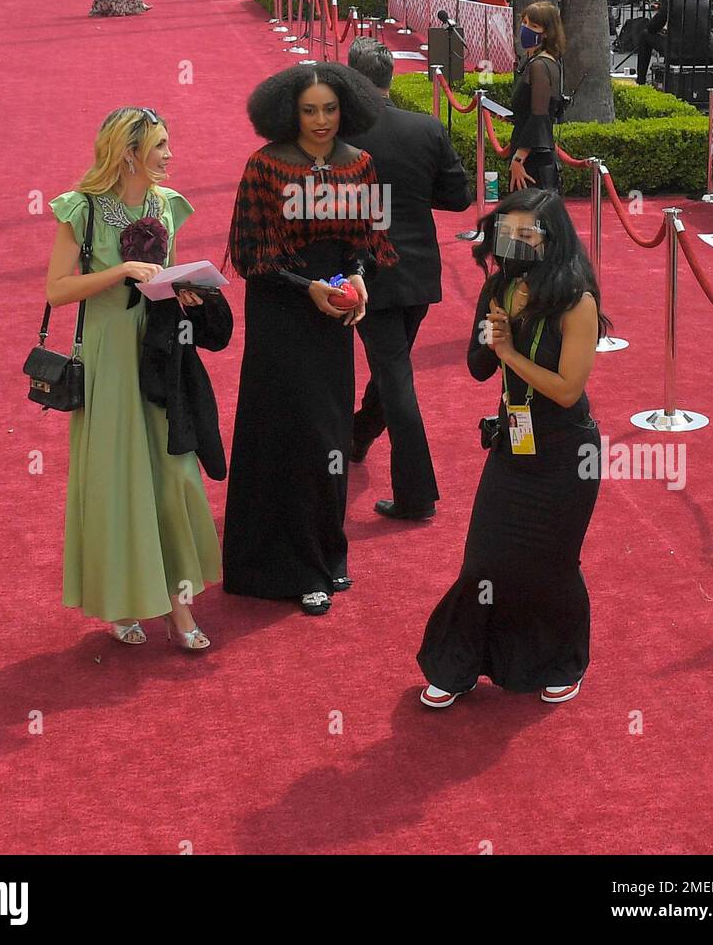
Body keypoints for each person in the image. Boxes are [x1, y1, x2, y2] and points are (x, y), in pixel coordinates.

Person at [416, 189, 605, 708]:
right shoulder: (500, 286)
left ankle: (563, 661)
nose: (516, 243)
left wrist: (510, 348)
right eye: (508, 233)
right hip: (512, 448)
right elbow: (479, 367)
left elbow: (567, 390)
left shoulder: (577, 299)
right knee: (483, 561)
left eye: (528, 234)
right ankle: (455, 664)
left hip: (568, 456)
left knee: (551, 564)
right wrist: (492, 331)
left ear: (552, 238)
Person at [222, 64, 398, 615]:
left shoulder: (362, 165)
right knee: (286, 433)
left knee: (328, 437)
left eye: (329, 109)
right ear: (288, 113)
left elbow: (372, 237)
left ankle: (327, 551)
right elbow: (250, 252)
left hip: (335, 318)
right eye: (309, 110)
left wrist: (360, 277)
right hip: (281, 313)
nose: (321, 121)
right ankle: (287, 568)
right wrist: (309, 288)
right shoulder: (265, 166)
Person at [45, 107, 222, 651]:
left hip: (159, 351)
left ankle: (180, 609)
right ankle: (123, 602)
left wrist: (183, 287)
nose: (170, 155)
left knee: (175, 475)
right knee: (119, 481)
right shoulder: (81, 209)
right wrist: (120, 271)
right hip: (107, 359)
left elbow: (162, 278)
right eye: (160, 146)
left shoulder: (167, 206)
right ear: (128, 153)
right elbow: (56, 290)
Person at [347, 39, 471, 519]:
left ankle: (417, 493)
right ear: (390, 78)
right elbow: (458, 198)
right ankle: (359, 434)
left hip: (365, 272)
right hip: (418, 271)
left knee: (395, 375)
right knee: (392, 366)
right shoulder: (426, 127)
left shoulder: (336, 135)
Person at [508, 1, 566, 194]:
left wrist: (519, 158)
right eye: (524, 22)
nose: (525, 29)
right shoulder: (537, 61)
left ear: (547, 32)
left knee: (528, 219)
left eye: (533, 26)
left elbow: (539, 114)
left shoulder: (540, 65)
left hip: (532, 159)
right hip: (531, 151)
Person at [636, 0, 713, 86]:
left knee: (645, 35)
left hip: (678, 54)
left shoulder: (672, 1)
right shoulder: (706, 4)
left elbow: (652, 27)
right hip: (704, 54)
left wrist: (663, 30)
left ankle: (641, 81)